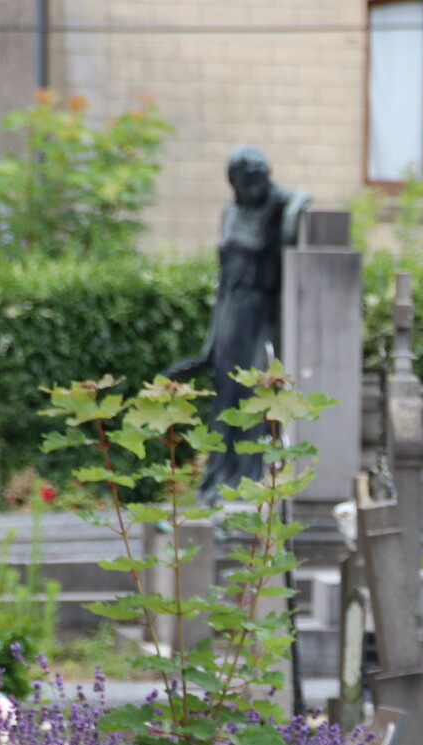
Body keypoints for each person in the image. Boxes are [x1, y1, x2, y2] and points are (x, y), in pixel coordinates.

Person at [164, 145, 310, 496]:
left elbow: (301, 200)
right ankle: (221, 478)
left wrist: (291, 214)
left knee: (253, 392)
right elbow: (223, 281)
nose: (251, 186)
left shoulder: (277, 204)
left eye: (257, 178)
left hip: (261, 312)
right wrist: (209, 346)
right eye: (244, 180)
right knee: (226, 395)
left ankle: (248, 478)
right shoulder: (230, 213)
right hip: (230, 309)